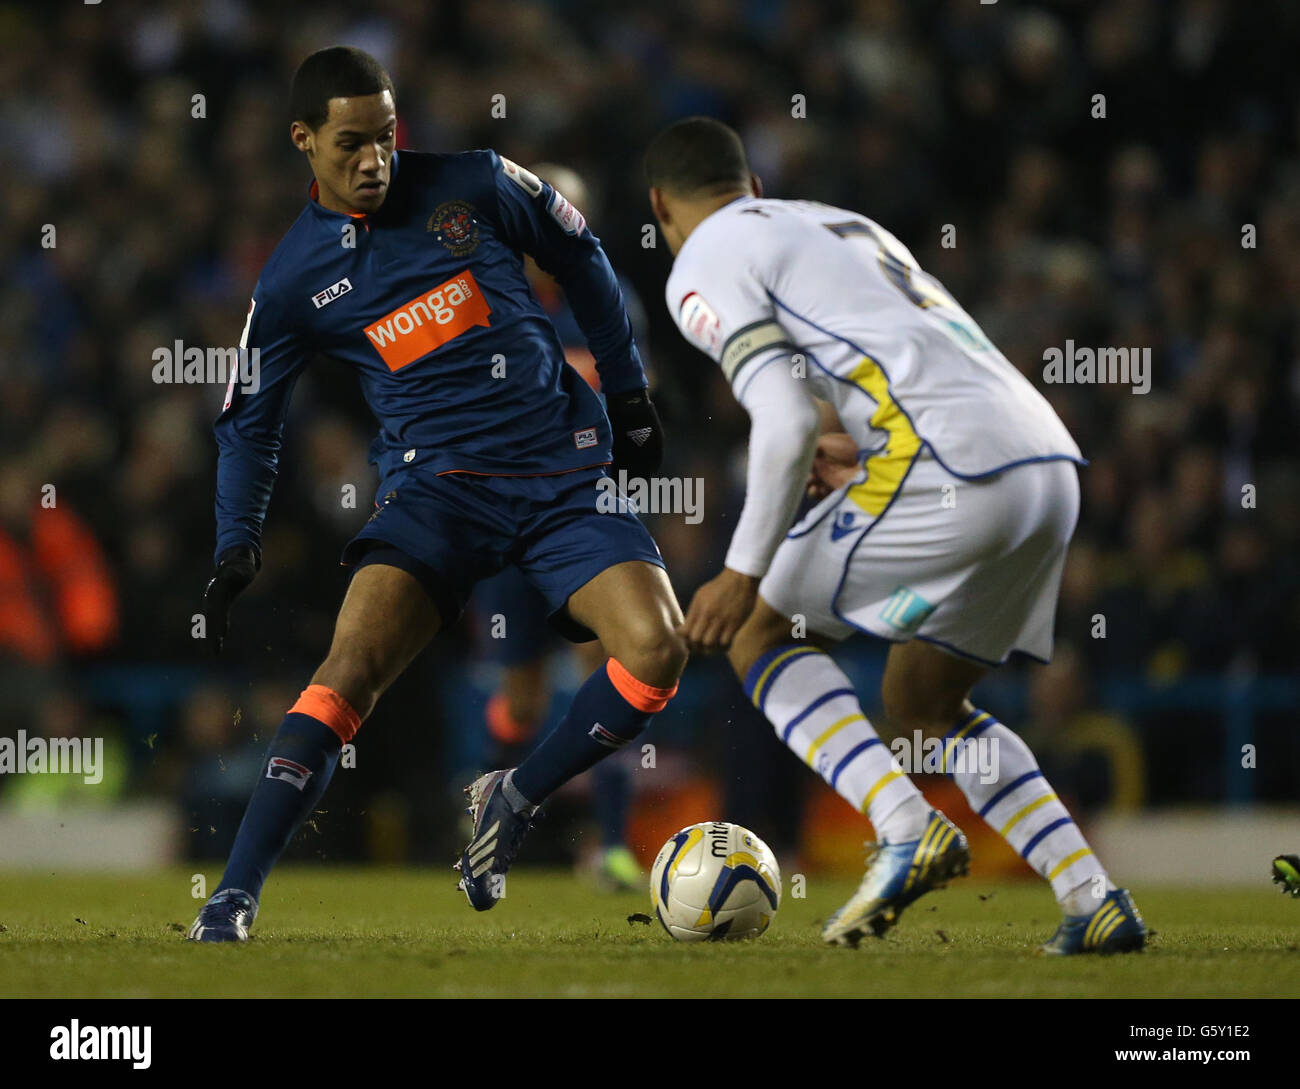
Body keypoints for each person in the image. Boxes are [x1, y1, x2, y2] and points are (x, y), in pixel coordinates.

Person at [187, 47, 686, 942]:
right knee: (348, 676)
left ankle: (515, 795)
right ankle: (231, 898)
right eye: (350, 144)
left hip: (564, 476)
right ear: (303, 141)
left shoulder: (479, 183)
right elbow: (249, 419)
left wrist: (631, 396)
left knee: (658, 652)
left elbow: (582, 257)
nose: (374, 158)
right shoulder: (294, 279)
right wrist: (236, 542)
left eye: (384, 136)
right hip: (437, 491)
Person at [645, 116, 1146, 954]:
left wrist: (741, 570)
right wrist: (839, 439)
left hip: (951, 470)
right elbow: (885, 366)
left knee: (760, 629)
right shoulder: (838, 223)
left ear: (659, 205)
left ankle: (904, 826)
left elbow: (774, 414)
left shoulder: (703, 259)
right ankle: (1092, 896)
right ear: (755, 187)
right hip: (1045, 467)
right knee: (923, 703)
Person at [470, 163, 648, 892]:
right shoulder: (485, 295)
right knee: (522, 698)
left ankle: (607, 847)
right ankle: (484, 811)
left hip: (584, 515)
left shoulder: (606, 295)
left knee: (608, 673)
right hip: (510, 519)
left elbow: (641, 400)